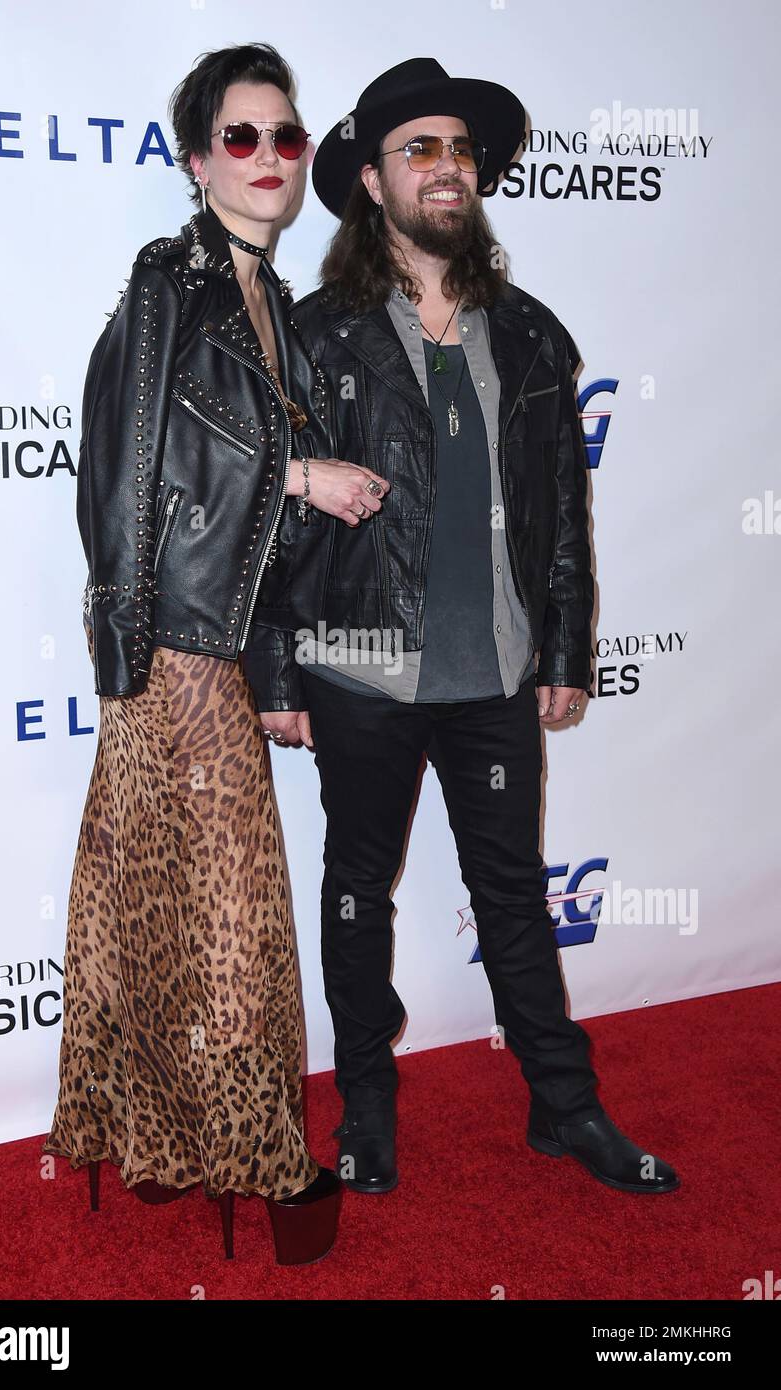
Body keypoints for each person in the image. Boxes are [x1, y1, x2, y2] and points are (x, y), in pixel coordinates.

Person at [241, 58, 679, 1198]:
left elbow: (558, 512)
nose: (446, 167)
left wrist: (568, 647)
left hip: (491, 668)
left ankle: (564, 1108)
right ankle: (367, 1109)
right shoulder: (315, 332)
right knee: (354, 891)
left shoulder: (526, 332)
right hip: (358, 668)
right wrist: (277, 662)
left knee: (514, 901)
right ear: (373, 184)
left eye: (458, 150)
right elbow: (269, 511)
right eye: (417, 151)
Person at [41, 43, 389, 1266]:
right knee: (234, 922)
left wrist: (275, 671)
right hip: (171, 649)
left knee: (152, 906)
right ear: (196, 163)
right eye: (240, 138)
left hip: (206, 654)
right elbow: (126, 479)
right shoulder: (169, 287)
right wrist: (291, 471)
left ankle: (148, 1141)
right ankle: (266, 1159)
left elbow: (255, 535)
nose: (269, 161)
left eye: (286, 138)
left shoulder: (266, 307)